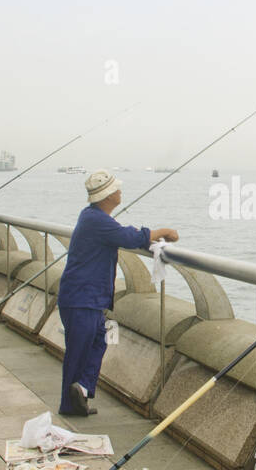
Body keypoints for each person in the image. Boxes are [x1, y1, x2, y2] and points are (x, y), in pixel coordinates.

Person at [56, 169, 179, 416]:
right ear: (107, 196)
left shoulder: (92, 216)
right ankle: (70, 405)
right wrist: (163, 231)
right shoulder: (96, 220)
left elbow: (123, 234)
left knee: (98, 340)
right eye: (117, 189)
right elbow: (129, 237)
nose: (120, 192)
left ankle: (81, 390)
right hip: (82, 298)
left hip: (85, 296)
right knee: (78, 352)